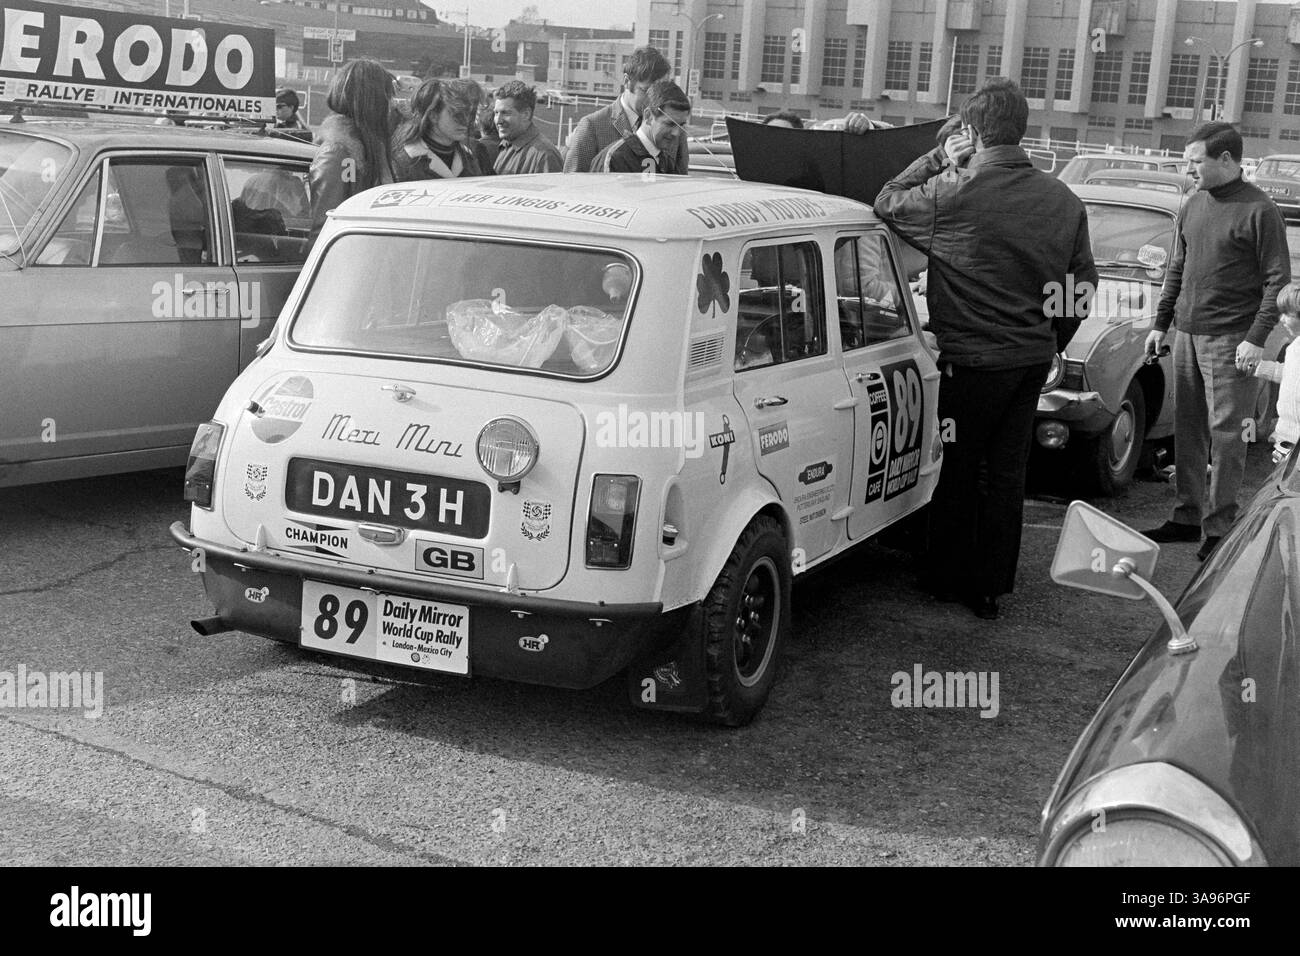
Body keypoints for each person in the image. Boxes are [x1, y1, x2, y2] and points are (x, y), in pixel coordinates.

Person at [864, 78, 1097, 620]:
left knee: (961, 464)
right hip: (1029, 360)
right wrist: (1049, 338)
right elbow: (1082, 284)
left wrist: (936, 158)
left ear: (969, 132)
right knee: (1008, 471)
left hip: (971, 360)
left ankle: (947, 577)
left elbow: (887, 201)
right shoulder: (1063, 199)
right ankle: (990, 586)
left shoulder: (955, 189)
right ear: (1024, 130)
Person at [1142, 122, 1291, 560]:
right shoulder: (1193, 203)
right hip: (1186, 333)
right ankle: (1186, 516)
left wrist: (1255, 338)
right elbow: (1177, 268)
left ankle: (1219, 527)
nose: (1189, 169)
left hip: (1231, 340)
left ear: (1226, 159)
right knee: (1188, 430)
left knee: (1227, 436)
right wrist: (1160, 323)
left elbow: (1277, 282)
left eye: (1196, 161)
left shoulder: (1260, 210)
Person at [308, 59, 395, 246]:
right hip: (348, 262)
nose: (390, 105)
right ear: (371, 100)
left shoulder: (371, 148)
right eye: (386, 96)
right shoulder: (338, 152)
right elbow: (326, 228)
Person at [563, 46, 689, 175]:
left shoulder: (675, 129)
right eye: (647, 91)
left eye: (661, 92)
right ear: (627, 81)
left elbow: (681, 182)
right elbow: (572, 187)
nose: (654, 99)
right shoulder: (592, 126)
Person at [391, 77, 488, 182]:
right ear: (433, 115)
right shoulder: (404, 161)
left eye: (470, 113)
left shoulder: (469, 158)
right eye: (457, 114)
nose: (466, 120)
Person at [593, 80, 690, 175]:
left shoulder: (665, 160)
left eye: (681, 125)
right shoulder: (615, 158)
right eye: (670, 124)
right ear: (648, 116)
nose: (676, 133)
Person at [1252, 282, 1300, 464]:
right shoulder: (1294, 347)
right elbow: (1288, 375)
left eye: (1287, 314)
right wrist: (1257, 367)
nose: (1281, 319)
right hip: (1285, 436)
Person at [493, 81, 563, 175]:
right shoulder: (506, 145)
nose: (498, 120)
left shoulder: (545, 155)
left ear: (526, 114)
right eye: (496, 113)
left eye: (505, 113)